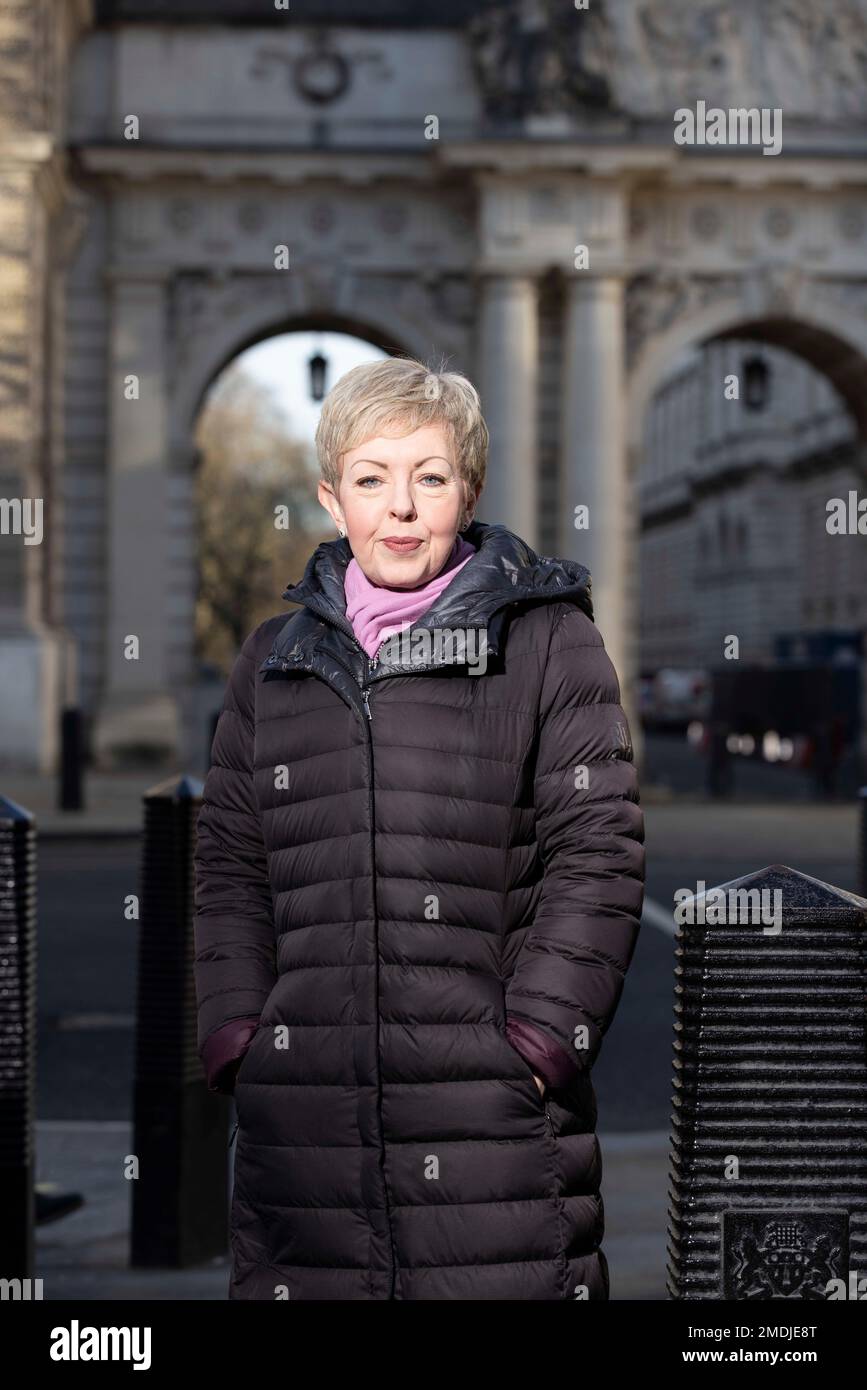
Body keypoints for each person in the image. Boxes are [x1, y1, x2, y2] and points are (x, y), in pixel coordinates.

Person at [193, 354, 645, 1300]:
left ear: (467, 490)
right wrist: (239, 1031)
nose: (399, 507)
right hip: (304, 1127)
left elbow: (595, 853)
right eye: (370, 478)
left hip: (494, 1130)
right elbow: (229, 863)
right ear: (330, 496)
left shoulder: (546, 640)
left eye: (428, 478)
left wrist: (537, 1046)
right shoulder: (271, 662)